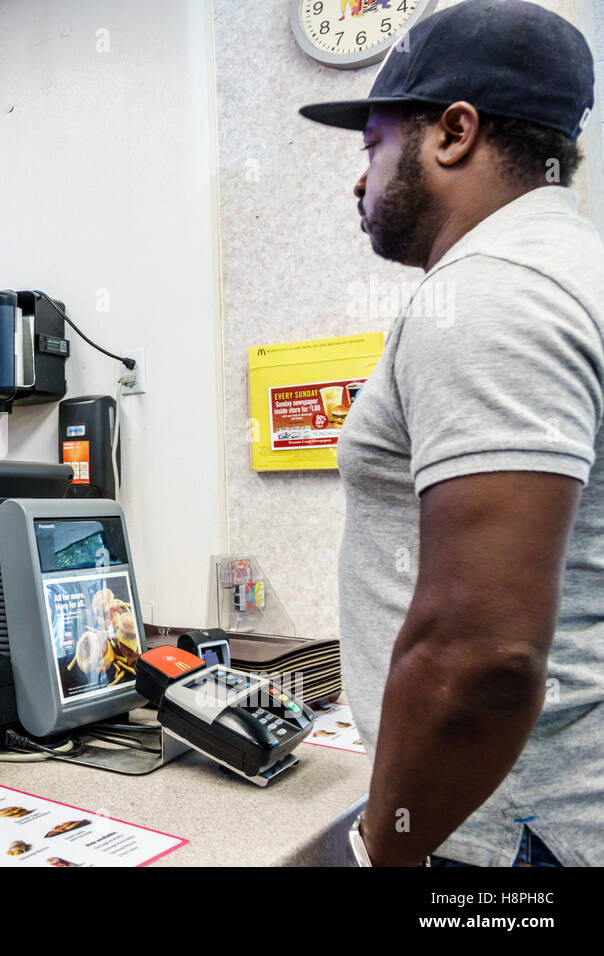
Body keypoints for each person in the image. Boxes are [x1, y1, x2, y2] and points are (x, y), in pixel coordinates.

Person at [299, 0, 603, 866]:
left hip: (508, 829)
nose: (360, 182)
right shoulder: (572, 269)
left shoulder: (492, 295)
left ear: (454, 133)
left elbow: (485, 655)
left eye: (373, 148)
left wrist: (384, 845)